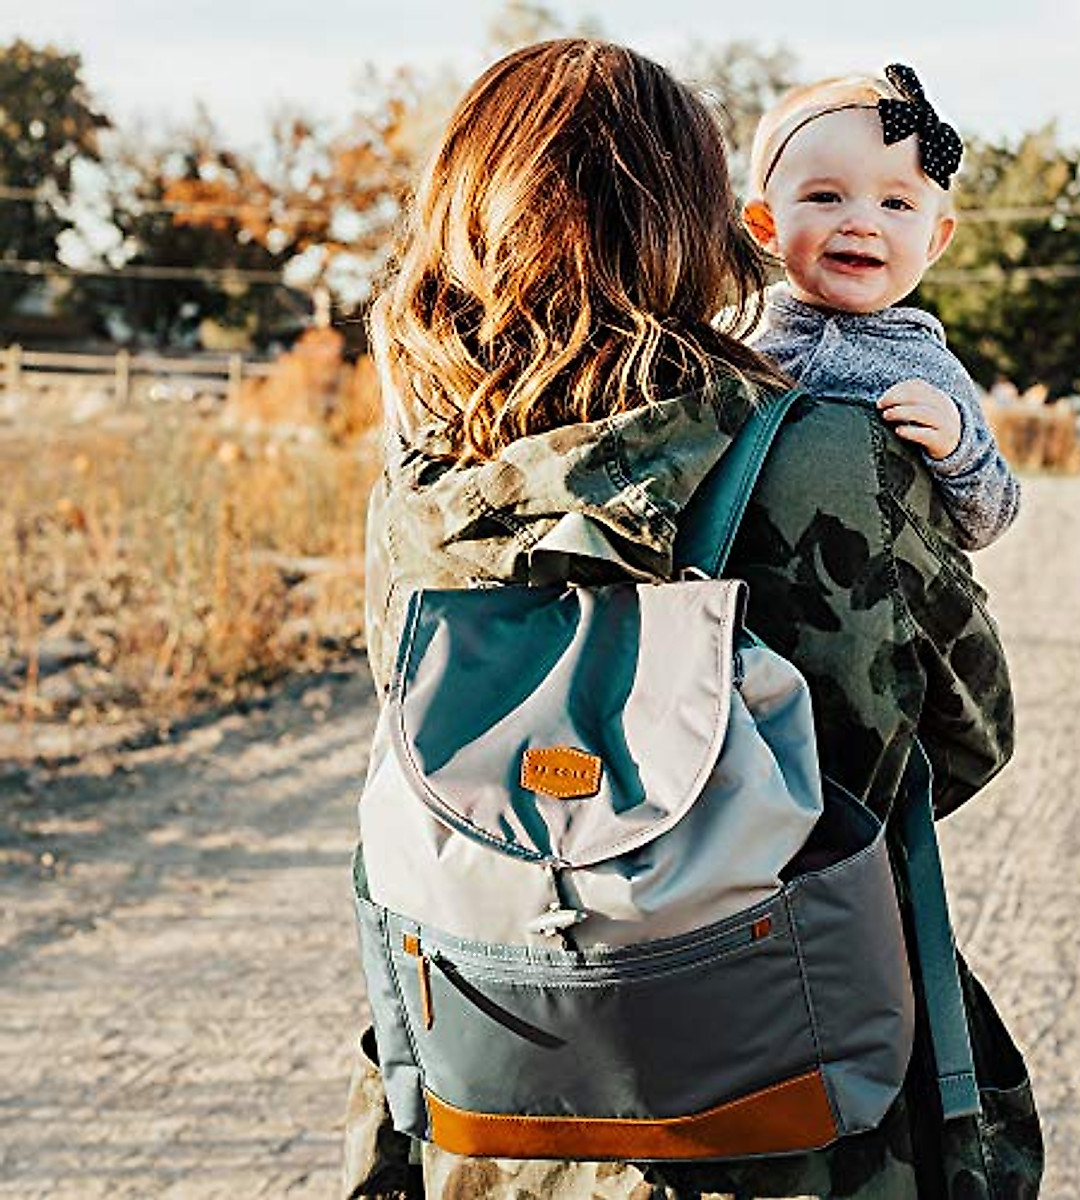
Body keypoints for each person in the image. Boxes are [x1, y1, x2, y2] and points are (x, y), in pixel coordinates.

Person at [345, 38, 1041, 1200]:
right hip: (776, 1081)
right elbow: (960, 737)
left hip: (491, 1088)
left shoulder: (421, 482)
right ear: (706, 223)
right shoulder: (825, 449)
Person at [741, 65, 1020, 552]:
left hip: (879, 615)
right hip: (738, 612)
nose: (862, 223)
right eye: (825, 197)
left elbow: (990, 520)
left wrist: (956, 448)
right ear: (766, 225)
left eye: (895, 204)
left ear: (935, 240)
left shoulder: (927, 367)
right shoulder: (735, 334)